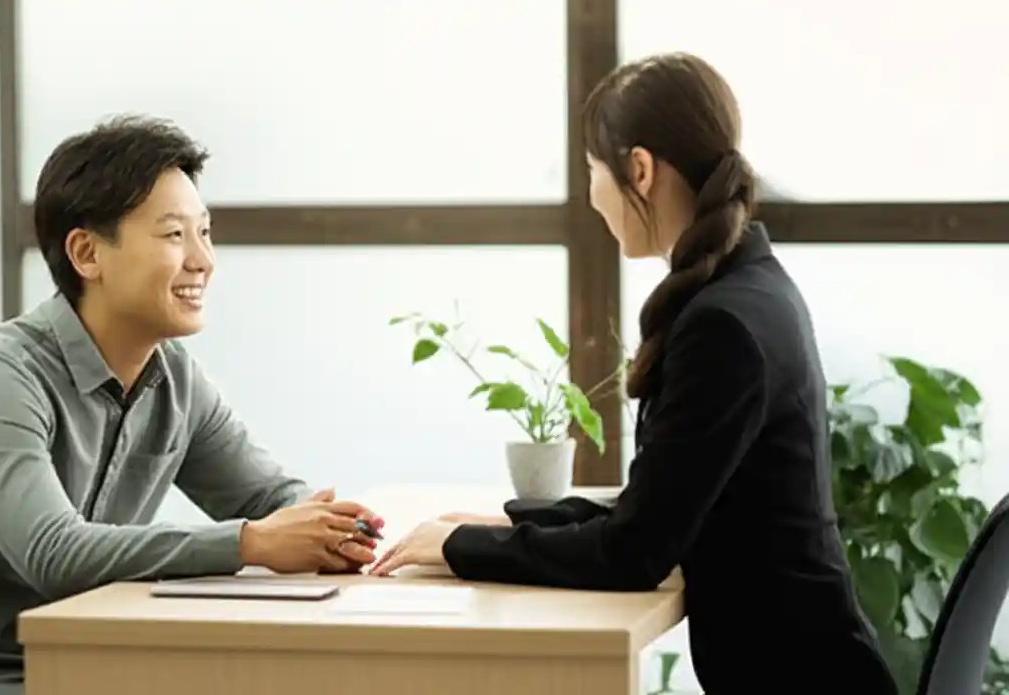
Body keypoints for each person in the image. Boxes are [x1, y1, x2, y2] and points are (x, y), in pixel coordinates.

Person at [368, 53, 898, 694]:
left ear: (639, 170)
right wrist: (504, 521)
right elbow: (656, 506)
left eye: (593, 170)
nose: (591, 193)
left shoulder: (723, 325)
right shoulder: (750, 288)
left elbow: (634, 552)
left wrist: (457, 550)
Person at [0, 115, 381, 695]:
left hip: (78, 664)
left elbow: (269, 499)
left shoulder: (176, 377)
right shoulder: (0, 374)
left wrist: (337, 530)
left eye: (205, 232)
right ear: (86, 253)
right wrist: (252, 542)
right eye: (175, 235)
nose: (203, 260)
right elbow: (54, 552)